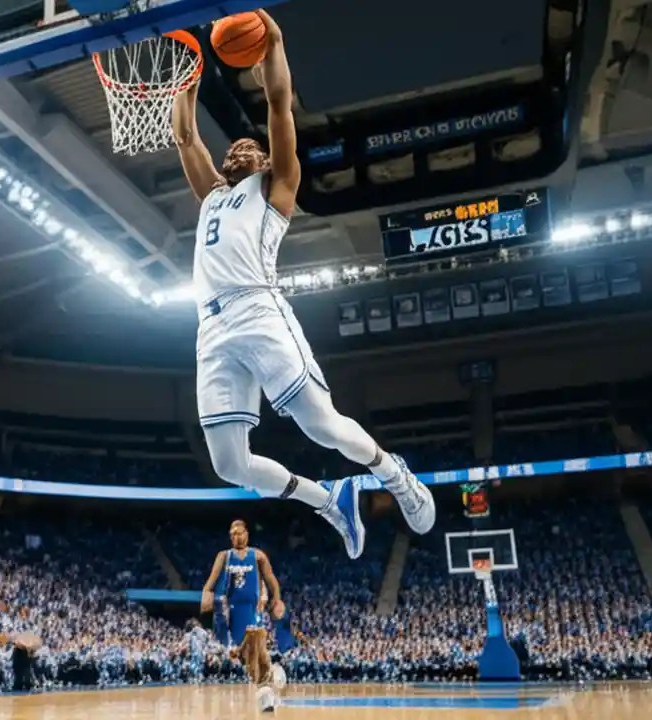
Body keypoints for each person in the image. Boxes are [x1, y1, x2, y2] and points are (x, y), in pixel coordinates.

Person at [170, 9, 435, 559]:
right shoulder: (214, 195)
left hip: (257, 310)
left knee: (321, 426)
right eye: (233, 149)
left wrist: (274, 46)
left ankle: (394, 474)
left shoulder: (276, 187)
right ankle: (327, 500)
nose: (240, 148)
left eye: (252, 147)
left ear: (267, 160)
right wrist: (187, 74)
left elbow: (276, 103)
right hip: (211, 329)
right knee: (228, 464)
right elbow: (184, 134)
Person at [199, 520, 283, 711]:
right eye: (233, 534)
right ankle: (273, 677)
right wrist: (205, 593)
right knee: (242, 657)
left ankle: (266, 696)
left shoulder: (258, 556)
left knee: (257, 650)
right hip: (232, 612)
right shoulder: (224, 556)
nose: (237, 536)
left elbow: (272, 580)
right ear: (230, 537)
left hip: (253, 611)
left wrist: (277, 599)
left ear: (247, 534)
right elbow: (211, 579)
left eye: (240, 533)